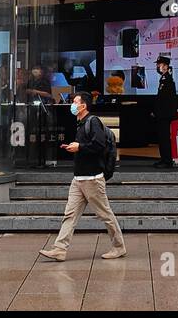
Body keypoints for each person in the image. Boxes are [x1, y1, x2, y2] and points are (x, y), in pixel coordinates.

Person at [38, 92, 127, 262]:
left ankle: (119, 246)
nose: (72, 104)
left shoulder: (93, 121)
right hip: (78, 179)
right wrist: (74, 146)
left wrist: (80, 147)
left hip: (92, 179)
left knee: (105, 215)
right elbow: (86, 146)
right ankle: (60, 249)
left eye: (75, 102)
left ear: (83, 105)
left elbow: (98, 145)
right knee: (70, 214)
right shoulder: (81, 123)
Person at [153, 55, 178, 168]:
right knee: (162, 138)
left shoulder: (168, 80)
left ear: (166, 66)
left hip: (164, 115)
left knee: (164, 138)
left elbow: (165, 100)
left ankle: (167, 160)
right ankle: (164, 158)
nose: (158, 67)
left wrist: (159, 112)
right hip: (162, 114)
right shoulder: (163, 79)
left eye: (160, 65)